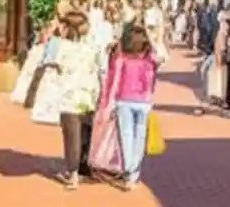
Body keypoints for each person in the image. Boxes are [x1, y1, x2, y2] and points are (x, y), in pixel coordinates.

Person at [104, 23, 161, 192]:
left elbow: (113, 78)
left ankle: (129, 169)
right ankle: (134, 171)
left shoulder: (121, 57)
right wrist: (152, 40)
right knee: (140, 137)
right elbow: (162, 57)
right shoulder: (149, 58)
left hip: (124, 100)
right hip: (143, 102)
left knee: (126, 136)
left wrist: (110, 101)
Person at [54, 11, 103, 191]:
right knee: (83, 133)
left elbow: (57, 68)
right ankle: (81, 167)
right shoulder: (90, 48)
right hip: (87, 95)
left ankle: (73, 174)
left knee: (70, 134)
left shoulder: (63, 48)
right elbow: (97, 69)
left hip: (69, 96)